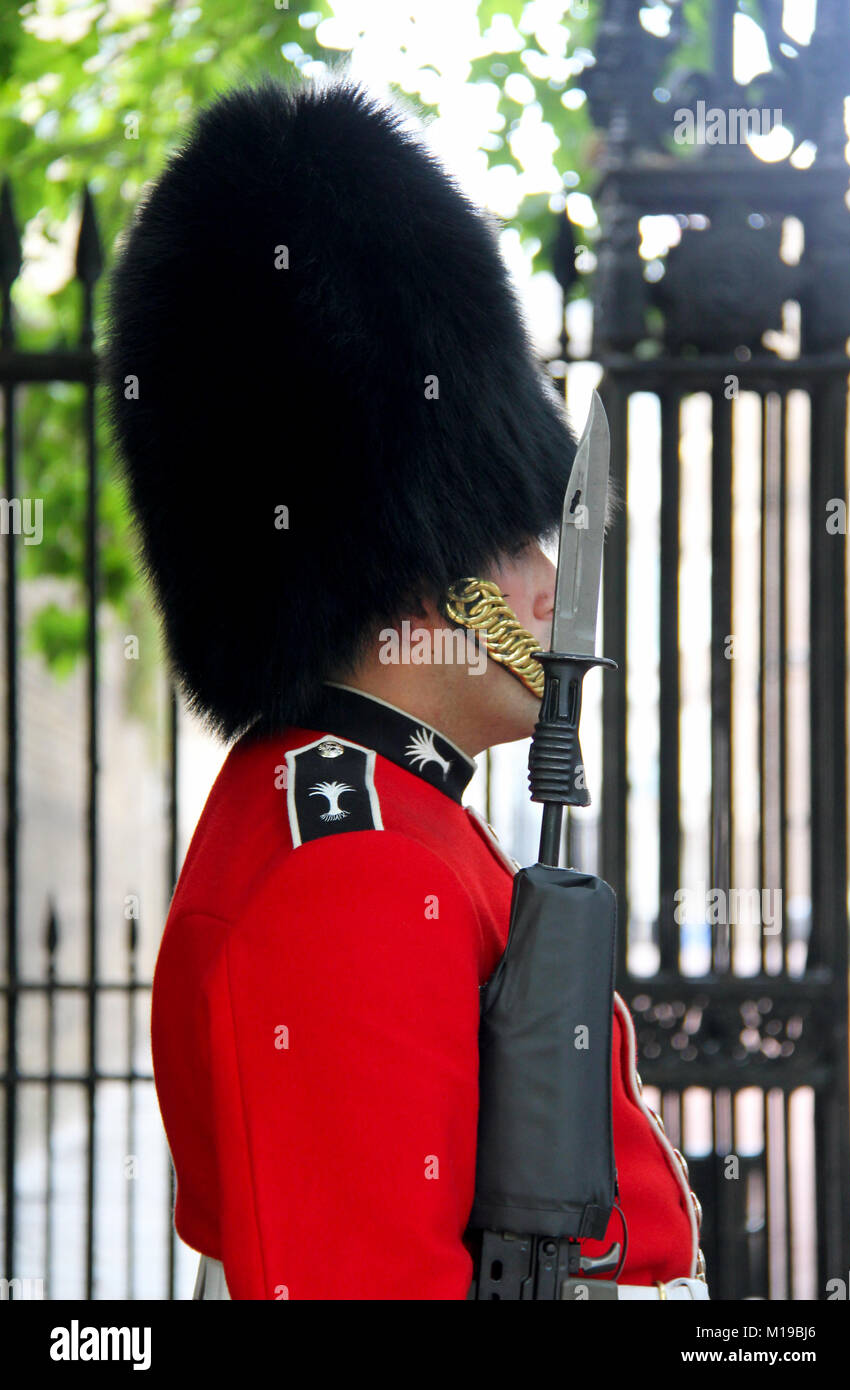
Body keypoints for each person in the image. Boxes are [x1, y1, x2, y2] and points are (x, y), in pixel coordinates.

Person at [105, 75, 706, 1300]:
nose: (548, 588)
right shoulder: (352, 867)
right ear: (414, 570)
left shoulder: (400, 819)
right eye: (510, 541)